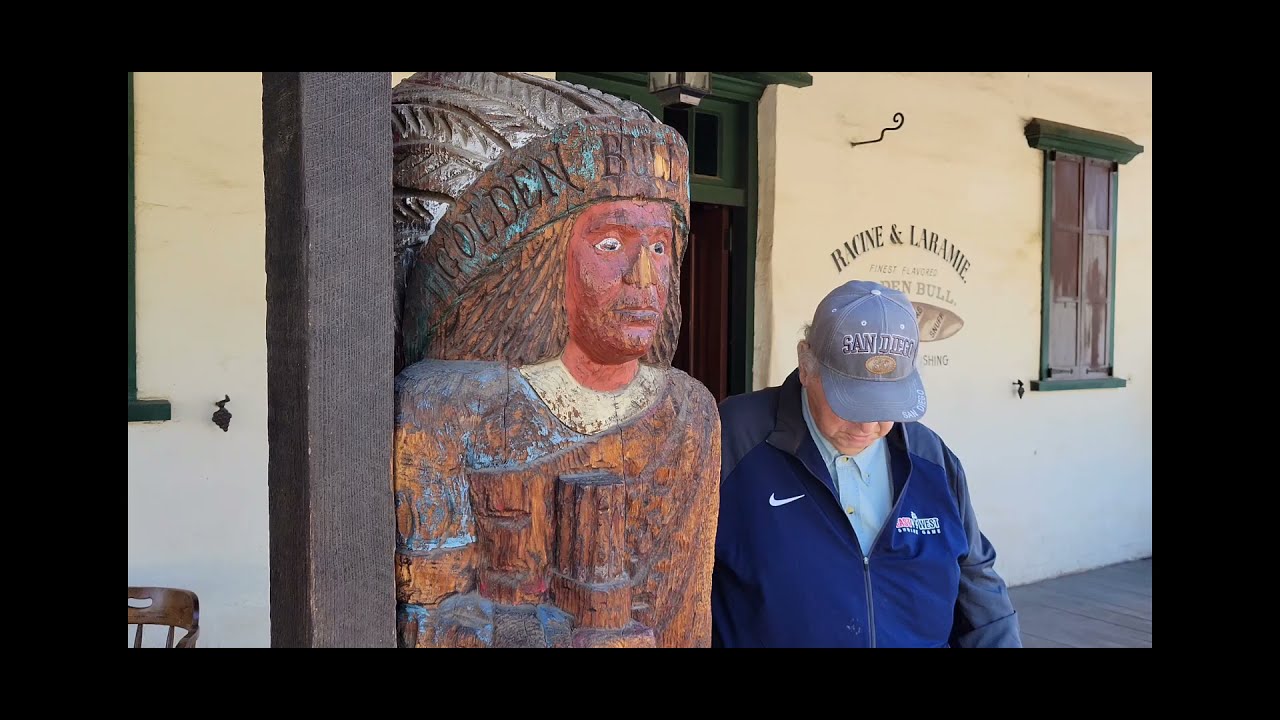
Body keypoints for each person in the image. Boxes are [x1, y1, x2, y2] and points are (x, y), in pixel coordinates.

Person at [390, 72, 720, 648]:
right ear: (547, 265)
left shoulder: (689, 414)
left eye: (661, 247)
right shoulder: (448, 406)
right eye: (611, 244)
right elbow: (426, 609)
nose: (645, 278)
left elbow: (685, 613)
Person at [711, 279, 1021, 647]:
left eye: (886, 405)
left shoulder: (930, 458)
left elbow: (977, 584)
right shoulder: (733, 437)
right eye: (851, 401)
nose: (869, 425)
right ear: (806, 366)